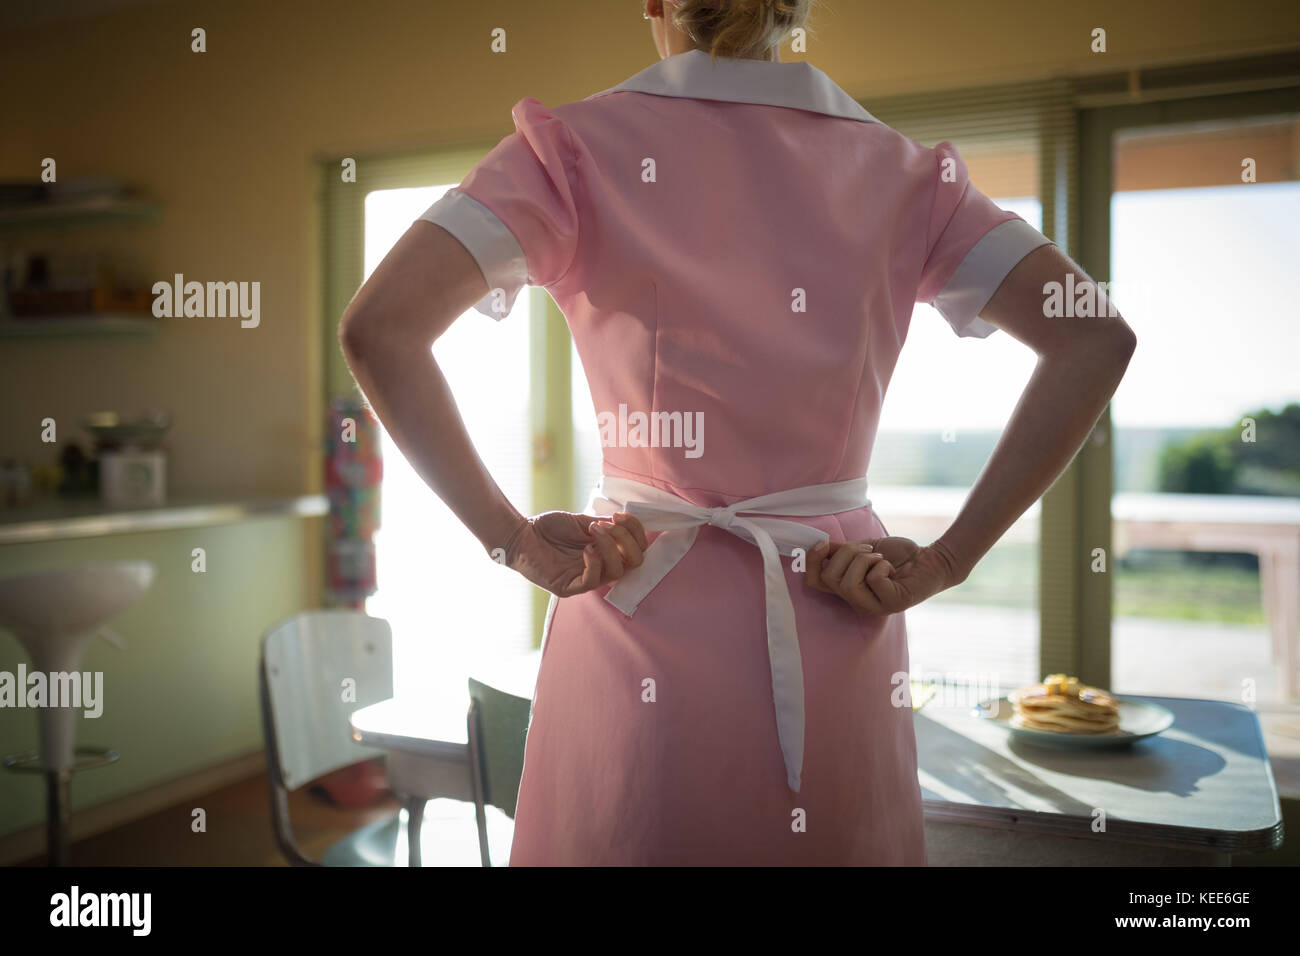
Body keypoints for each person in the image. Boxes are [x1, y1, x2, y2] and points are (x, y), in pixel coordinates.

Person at [338, 0, 1137, 865]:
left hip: (635, 595)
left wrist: (514, 542)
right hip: (839, 602)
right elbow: (1094, 336)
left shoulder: (569, 151)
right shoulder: (910, 177)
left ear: (655, 3)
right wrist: (950, 559)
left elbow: (378, 329)